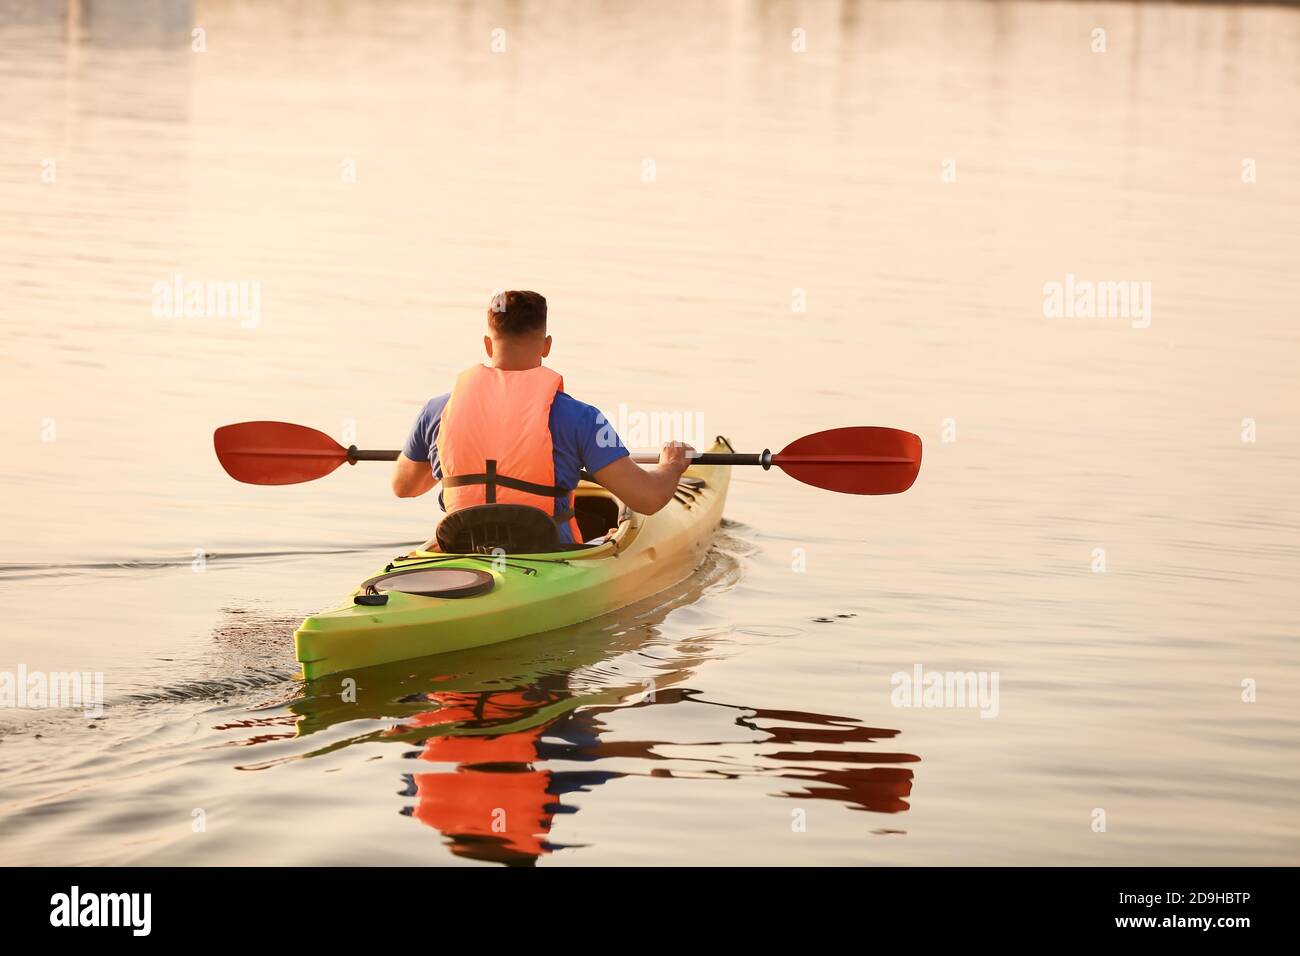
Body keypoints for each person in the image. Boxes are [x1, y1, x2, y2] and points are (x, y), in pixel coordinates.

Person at [392, 290, 694, 545]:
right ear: (547, 345)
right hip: (547, 555)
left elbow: (404, 487)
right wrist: (671, 466)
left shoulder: (437, 410)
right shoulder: (581, 417)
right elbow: (648, 499)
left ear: (487, 344)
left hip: (463, 550)